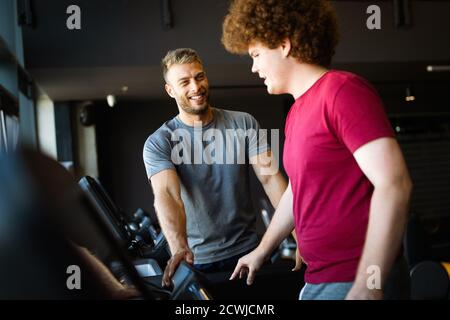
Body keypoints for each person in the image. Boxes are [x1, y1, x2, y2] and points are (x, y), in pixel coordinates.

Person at [222, 0, 412, 300]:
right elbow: (299, 188)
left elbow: (394, 184)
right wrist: (262, 250)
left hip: (354, 280)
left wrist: (369, 284)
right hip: (319, 278)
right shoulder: (297, 113)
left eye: (256, 54)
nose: (254, 67)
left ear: (284, 44)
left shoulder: (342, 91)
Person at [143, 48, 291, 287]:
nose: (195, 87)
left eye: (199, 77)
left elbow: (270, 178)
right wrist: (179, 247)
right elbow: (168, 194)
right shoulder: (160, 141)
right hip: (198, 261)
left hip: (250, 252)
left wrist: (299, 235)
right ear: (170, 91)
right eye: (184, 82)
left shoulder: (243, 122)